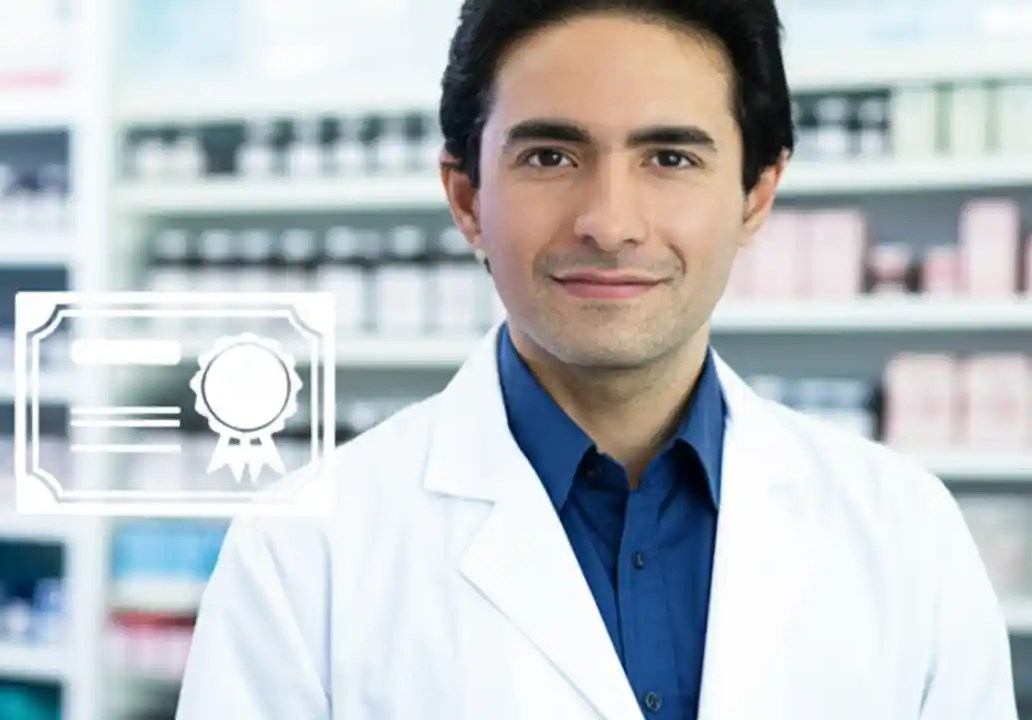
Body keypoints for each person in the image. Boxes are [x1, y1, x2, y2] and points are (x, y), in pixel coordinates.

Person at [175, 1, 1019, 718]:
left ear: (756, 194)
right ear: (467, 198)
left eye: (670, 158)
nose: (610, 222)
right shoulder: (303, 553)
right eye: (551, 157)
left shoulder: (905, 531)